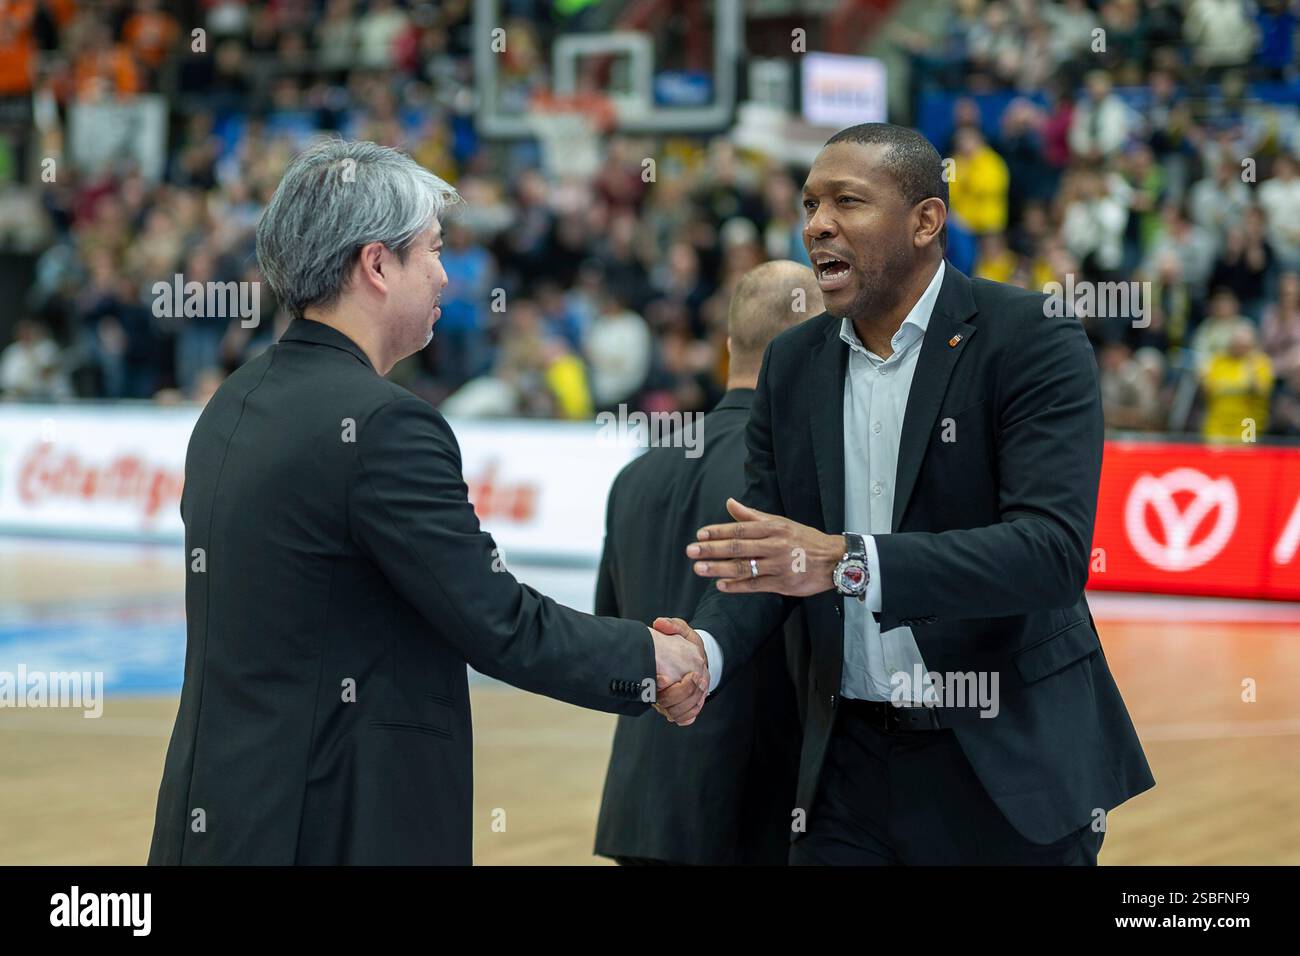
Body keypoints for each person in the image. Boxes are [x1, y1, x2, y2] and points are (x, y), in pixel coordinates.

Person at [148, 139, 708, 865]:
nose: (448, 275)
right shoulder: (385, 425)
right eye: (434, 251)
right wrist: (650, 657)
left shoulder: (230, 403)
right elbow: (496, 619)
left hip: (217, 818)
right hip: (332, 825)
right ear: (377, 265)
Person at [659, 123, 1155, 865]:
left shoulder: (1029, 338)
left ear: (926, 221)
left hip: (1003, 764)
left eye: (847, 202)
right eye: (809, 204)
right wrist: (707, 649)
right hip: (845, 769)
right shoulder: (793, 364)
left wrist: (848, 562)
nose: (817, 223)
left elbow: (1050, 553)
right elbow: (773, 559)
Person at [593, 261, 821, 866]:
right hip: (750, 809)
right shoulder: (799, 473)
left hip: (640, 805)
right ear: (814, 352)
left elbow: (611, 625)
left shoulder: (636, 473)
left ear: (728, 345)